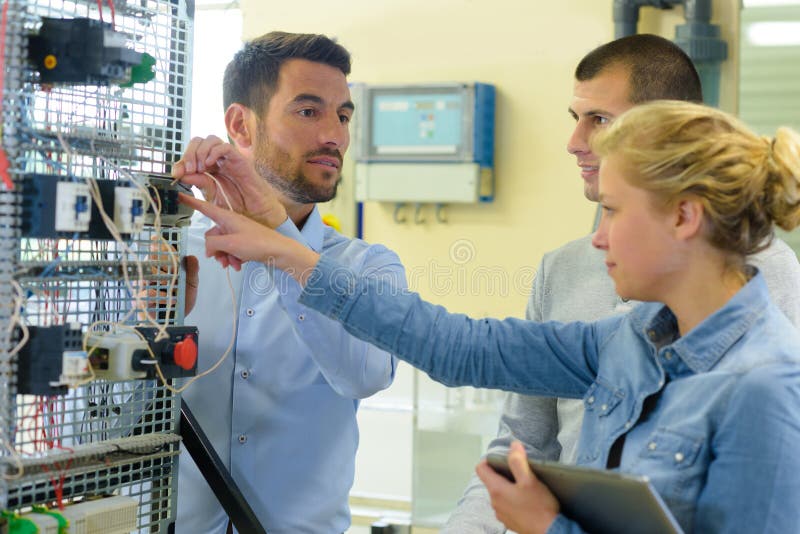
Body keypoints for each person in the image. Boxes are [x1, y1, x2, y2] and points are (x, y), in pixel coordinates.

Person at [180, 99, 800, 533]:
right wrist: (289, 246)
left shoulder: (765, 390)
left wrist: (547, 525)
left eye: (612, 211)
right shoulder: (634, 339)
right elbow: (463, 347)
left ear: (684, 217)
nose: (598, 239)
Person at [444, 34, 800, 532]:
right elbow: (521, 443)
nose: (575, 143)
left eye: (601, 121)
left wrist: (550, 527)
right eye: (576, 119)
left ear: (664, 130)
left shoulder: (765, 285)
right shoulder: (562, 268)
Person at [171, 32, 405, 533]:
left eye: (343, 116)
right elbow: (109, 424)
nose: (335, 136)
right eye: (308, 112)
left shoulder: (370, 269)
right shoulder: (169, 259)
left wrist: (277, 238)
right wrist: (157, 327)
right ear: (241, 125)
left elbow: (363, 376)